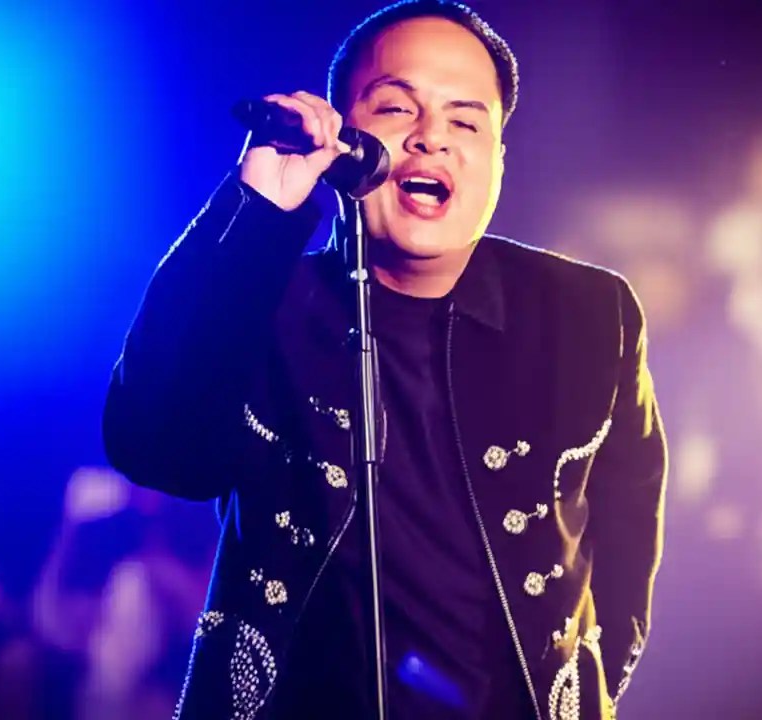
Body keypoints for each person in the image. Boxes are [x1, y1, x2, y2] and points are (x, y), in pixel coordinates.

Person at [103, 2, 668, 718]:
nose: (432, 138)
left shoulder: (588, 314)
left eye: (466, 121)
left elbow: (625, 549)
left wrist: (573, 698)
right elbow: (154, 448)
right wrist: (256, 214)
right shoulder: (267, 302)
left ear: (498, 158)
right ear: (344, 137)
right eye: (397, 108)